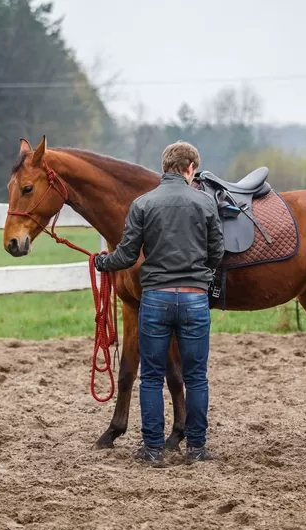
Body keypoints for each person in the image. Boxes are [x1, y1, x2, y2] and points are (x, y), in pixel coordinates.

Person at [93, 141, 224, 467]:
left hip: (155, 301)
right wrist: (201, 273)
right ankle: (196, 448)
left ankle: (152, 449)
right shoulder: (205, 203)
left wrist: (102, 263)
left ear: (165, 167)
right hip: (194, 300)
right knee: (196, 377)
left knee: (151, 376)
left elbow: (125, 255)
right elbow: (218, 251)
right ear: (191, 167)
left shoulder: (142, 204)